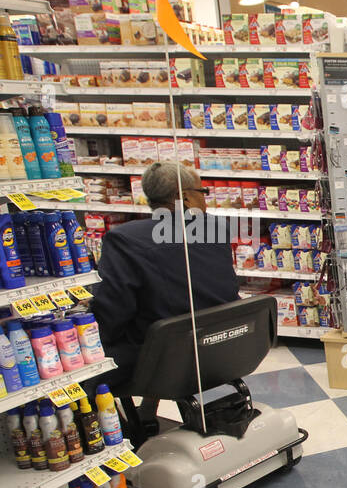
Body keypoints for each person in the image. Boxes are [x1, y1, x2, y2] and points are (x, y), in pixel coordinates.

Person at [92, 161, 239, 433]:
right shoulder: (214, 229)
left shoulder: (125, 239)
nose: (204, 199)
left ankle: (102, 442)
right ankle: (148, 410)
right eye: (202, 192)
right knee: (164, 328)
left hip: (167, 359)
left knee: (75, 367)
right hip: (227, 348)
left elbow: (111, 312)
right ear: (183, 198)